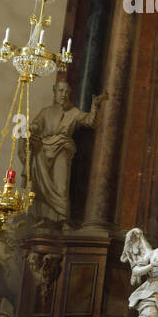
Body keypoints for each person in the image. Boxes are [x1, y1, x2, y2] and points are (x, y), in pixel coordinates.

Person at [30, 80, 104, 225]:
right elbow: (36, 125)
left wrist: (95, 105)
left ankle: (63, 220)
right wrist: (33, 126)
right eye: (60, 91)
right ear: (55, 91)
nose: (63, 94)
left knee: (61, 185)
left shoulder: (74, 112)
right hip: (43, 151)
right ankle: (43, 218)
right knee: (41, 184)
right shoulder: (46, 112)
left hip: (63, 149)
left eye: (66, 91)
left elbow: (90, 122)